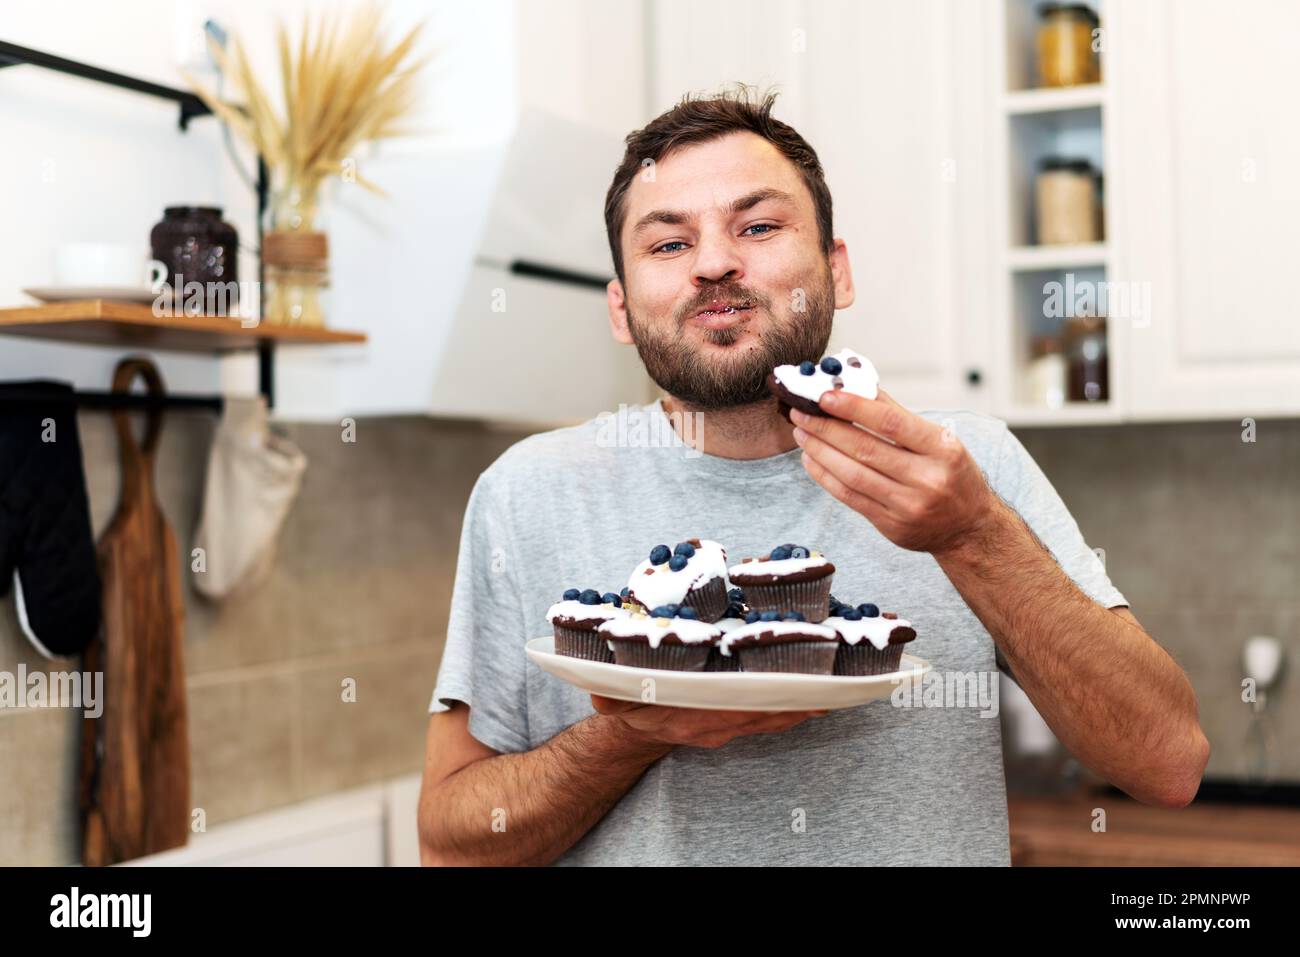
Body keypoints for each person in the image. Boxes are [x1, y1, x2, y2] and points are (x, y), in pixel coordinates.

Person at [417, 88, 1208, 866]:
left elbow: (1168, 762)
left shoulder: (964, 466)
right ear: (622, 310)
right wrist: (627, 734)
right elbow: (449, 847)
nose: (716, 263)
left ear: (836, 270)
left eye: (758, 226)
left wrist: (970, 534)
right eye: (668, 244)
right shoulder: (528, 492)